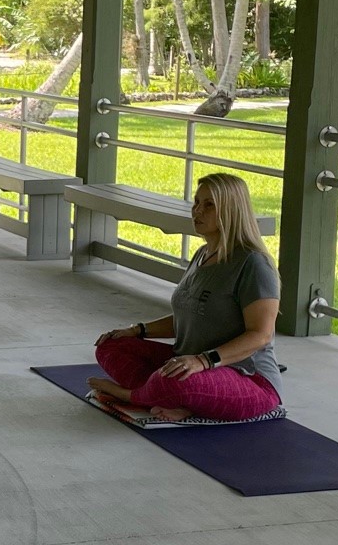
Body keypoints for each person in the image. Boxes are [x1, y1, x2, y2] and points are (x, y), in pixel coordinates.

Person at [89, 172, 283, 423]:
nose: (197, 211)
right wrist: (138, 330)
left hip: (247, 378)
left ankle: (134, 396)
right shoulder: (202, 255)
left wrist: (204, 361)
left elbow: (261, 334)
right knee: (111, 346)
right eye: (196, 202)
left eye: (209, 205)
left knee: (175, 380)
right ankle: (170, 398)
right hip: (189, 364)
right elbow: (190, 313)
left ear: (231, 210)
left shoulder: (254, 264)